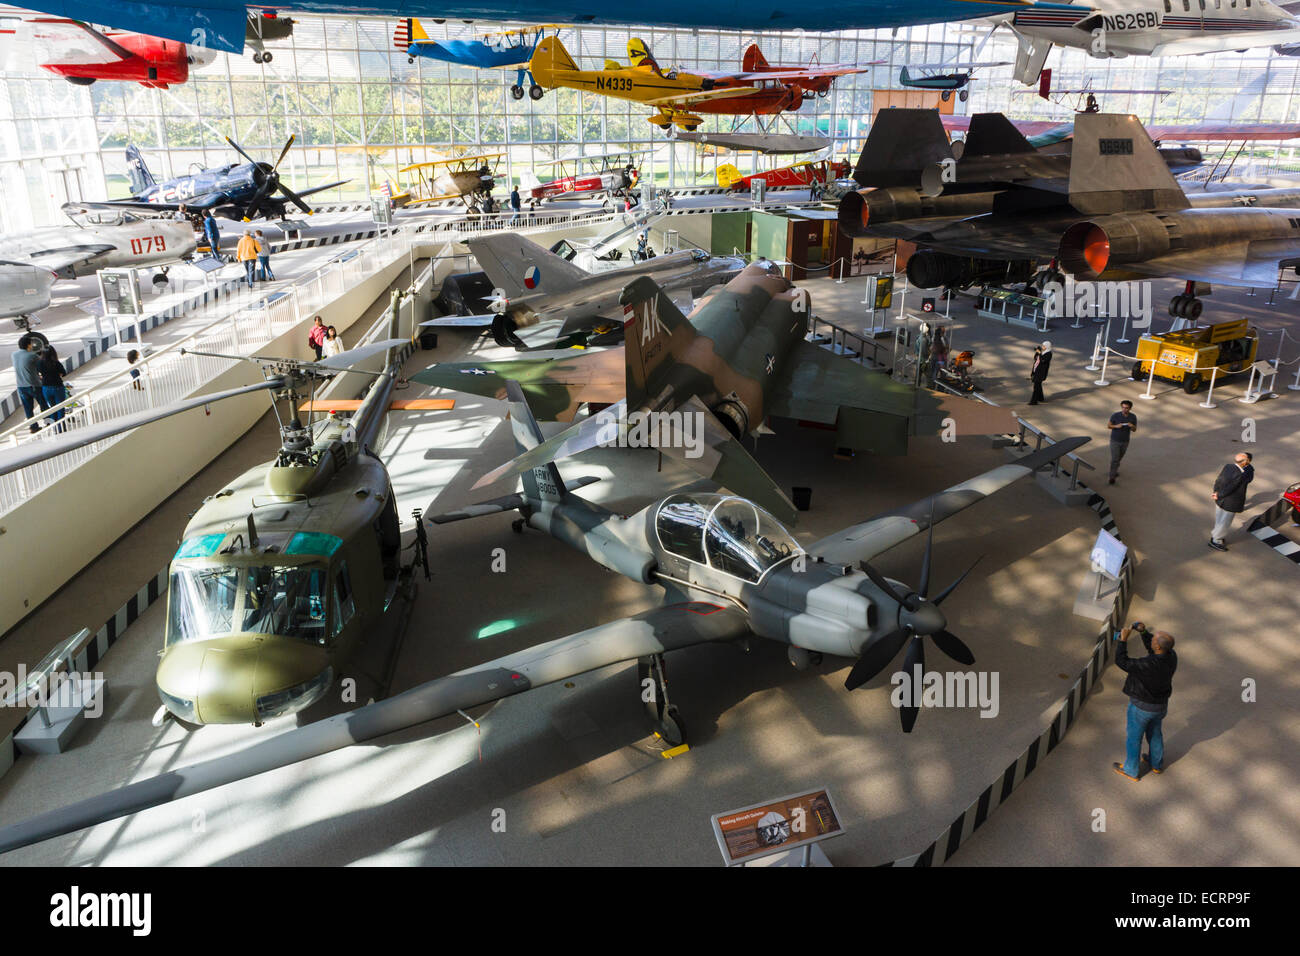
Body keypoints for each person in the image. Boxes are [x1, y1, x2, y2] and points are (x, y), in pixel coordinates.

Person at [1112, 623, 1177, 780]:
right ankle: (1156, 764)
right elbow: (1154, 648)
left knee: (1134, 738)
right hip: (1160, 706)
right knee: (1155, 734)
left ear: (1158, 646)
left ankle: (1131, 770)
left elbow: (1122, 662)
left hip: (1141, 707)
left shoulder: (1148, 665)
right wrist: (1143, 632)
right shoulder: (1171, 655)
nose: (1152, 639)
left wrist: (1123, 641)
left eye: (1153, 638)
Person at [1209, 451, 1253, 551]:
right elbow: (1231, 488)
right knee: (1225, 522)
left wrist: (1216, 493)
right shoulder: (1240, 474)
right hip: (1230, 503)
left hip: (1220, 500)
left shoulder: (1228, 466)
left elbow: (1218, 480)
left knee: (1220, 520)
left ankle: (1216, 536)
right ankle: (1216, 540)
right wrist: (1219, 494)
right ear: (1244, 462)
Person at [11, 334, 49, 433]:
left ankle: (33, 427)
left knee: (28, 408)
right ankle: (49, 422)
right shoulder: (32, 355)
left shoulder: (14, 355)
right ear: (28, 345)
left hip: (21, 386)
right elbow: (41, 366)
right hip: (34, 385)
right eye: (31, 344)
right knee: (43, 404)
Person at [1107, 399, 1138, 484]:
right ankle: (1112, 476)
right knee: (1115, 459)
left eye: (1127, 408)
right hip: (1114, 441)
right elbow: (1109, 426)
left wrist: (1132, 426)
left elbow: (1134, 429)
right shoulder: (1115, 415)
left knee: (1119, 458)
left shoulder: (1133, 417)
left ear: (1130, 408)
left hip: (1125, 441)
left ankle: (1114, 469)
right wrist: (1116, 426)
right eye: (1123, 407)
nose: (1124, 410)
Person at [38, 344, 68, 430]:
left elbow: (39, 374)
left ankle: (54, 428)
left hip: (46, 388)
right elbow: (64, 373)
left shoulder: (39, 363)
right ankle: (61, 428)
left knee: (52, 408)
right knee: (60, 409)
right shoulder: (56, 363)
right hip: (58, 387)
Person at [1028, 340, 1052, 405]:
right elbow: (1035, 358)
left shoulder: (1049, 354)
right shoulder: (1042, 352)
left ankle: (1033, 401)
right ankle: (1040, 398)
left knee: (1036, 387)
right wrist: (1037, 352)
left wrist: (1039, 353)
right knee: (1038, 386)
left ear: (1047, 347)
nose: (1042, 347)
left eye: (1044, 346)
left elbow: (1043, 360)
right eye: (1042, 346)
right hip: (1036, 371)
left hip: (1041, 373)